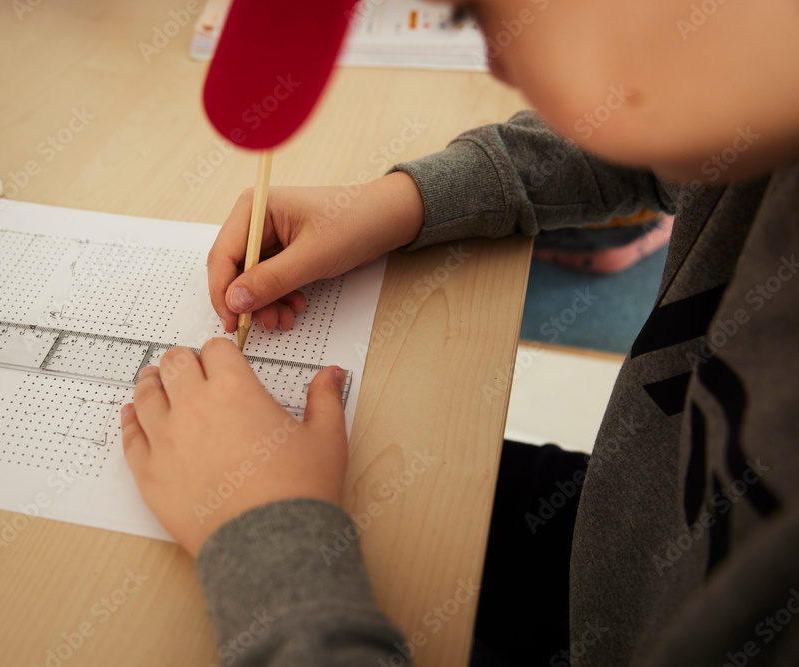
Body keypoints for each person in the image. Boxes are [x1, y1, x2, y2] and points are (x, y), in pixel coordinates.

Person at [120, 0, 799, 664]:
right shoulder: (750, 94)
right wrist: (405, 202)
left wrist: (264, 536)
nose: (496, 61)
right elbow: (648, 137)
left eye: (472, 12)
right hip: (625, 527)